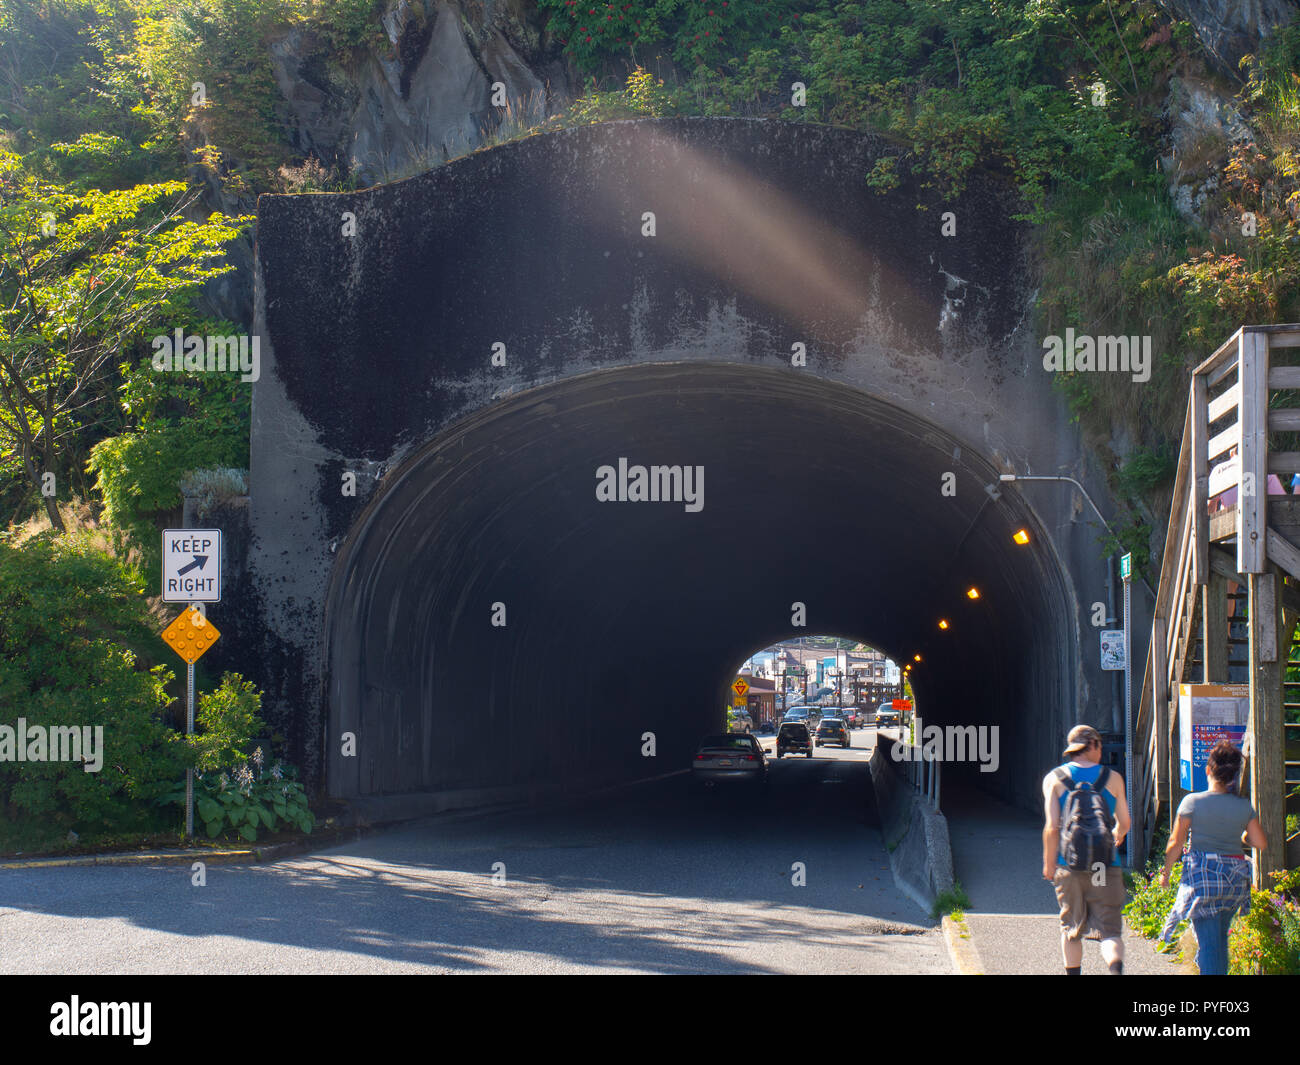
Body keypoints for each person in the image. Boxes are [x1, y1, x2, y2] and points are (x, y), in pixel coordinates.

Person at [1159, 739, 1267, 975]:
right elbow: (1259, 842)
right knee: (1217, 942)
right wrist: (1240, 835)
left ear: (1208, 770)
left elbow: (1175, 843)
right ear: (1233, 775)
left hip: (1204, 881)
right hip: (1234, 883)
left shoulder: (1191, 802)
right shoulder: (1243, 806)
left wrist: (1165, 873)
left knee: (1209, 945)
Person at [1042, 724, 1131, 975]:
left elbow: (1051, 827)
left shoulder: (1054, 779)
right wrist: (1117, 835)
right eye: (1099, 745)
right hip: (1102, 865)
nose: (1101, 750)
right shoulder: (1112, 778)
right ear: (1091, 744)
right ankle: (1114, 970)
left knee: (1071, 928)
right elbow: (1125, 822)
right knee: (1109, 930)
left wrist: (1049, 863)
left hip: (1069, 865)